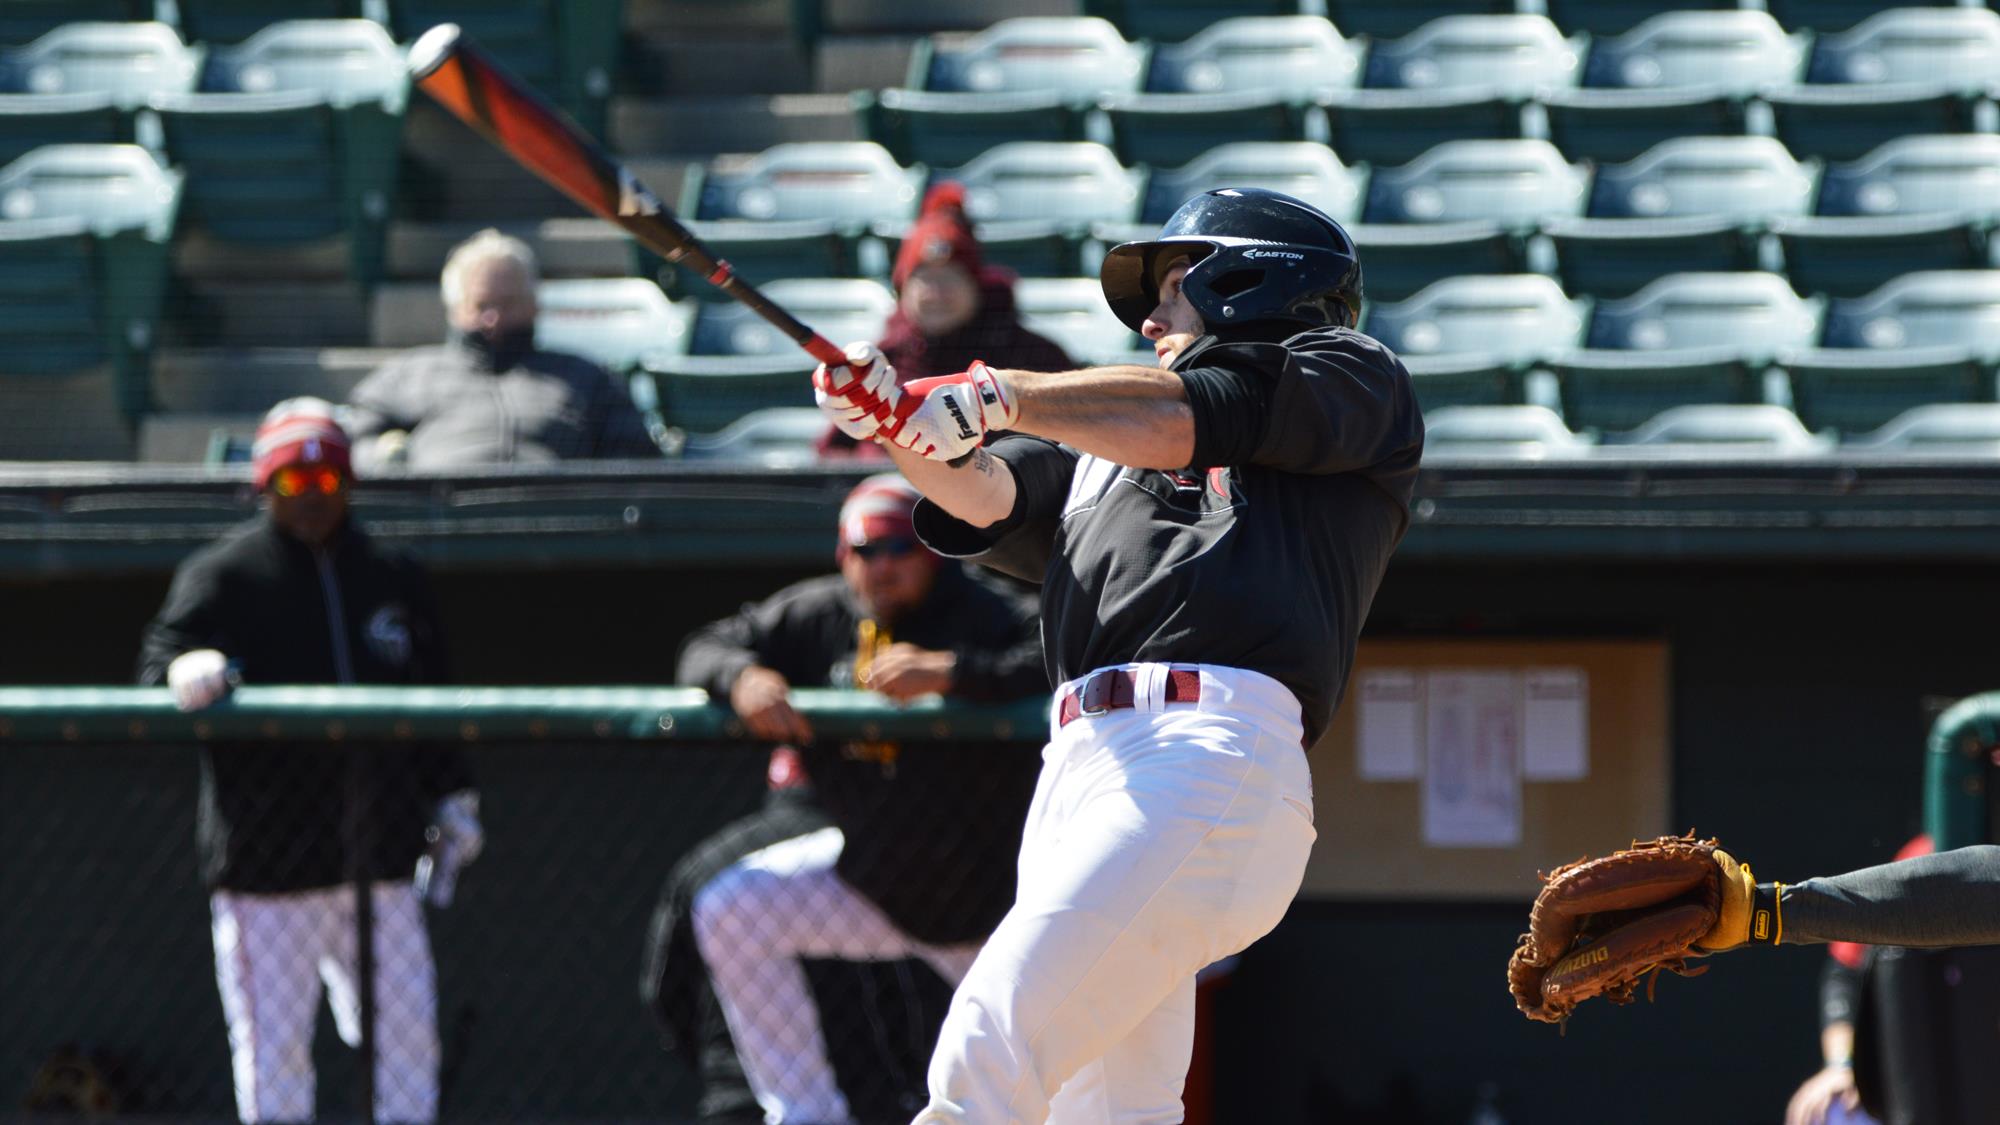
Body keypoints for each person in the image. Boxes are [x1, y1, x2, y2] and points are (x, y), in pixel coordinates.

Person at [814, 187, 1424, 1122]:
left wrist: (999, 394)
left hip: (1205, 750)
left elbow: (1200, 413)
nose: (1149, 318)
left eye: (1174, 287)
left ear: (1251, 278)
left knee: (989, 1042)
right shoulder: (1107, 441)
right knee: (1099, 1109)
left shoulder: (1347, 374)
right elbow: (985, 494)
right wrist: (893, 418)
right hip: (1079, 766)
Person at [648, 474, 1047, 1124]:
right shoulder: (818, 613)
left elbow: (1062, 650)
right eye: (867, 550)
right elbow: (706, 646)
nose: (882, 566)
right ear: (843, 555)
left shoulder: (985, 612)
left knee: (1044, 1085)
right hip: (876, 880)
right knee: (731, 907)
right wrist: (742, 676)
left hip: (992, 900)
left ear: (933, 554)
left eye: (900, 548)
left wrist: (956, 673)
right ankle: (805, 1112)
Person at [137, 398, 483, 1124]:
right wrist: (184, 667)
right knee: (274, 1051)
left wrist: (454, 793)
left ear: (349, 483)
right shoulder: (224, 574)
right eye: (295, 482)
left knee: (405, 1041)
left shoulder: (391, 574)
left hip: (381, 857)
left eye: (327, 481)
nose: (314, 497)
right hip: (268, 870)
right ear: (266, 486)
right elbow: (157, 662)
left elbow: (434, 693)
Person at [345, 228, 659, 468]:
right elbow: (354, 441)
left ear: (534, 305)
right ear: (455, 309)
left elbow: (635, 456)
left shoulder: (585, 377)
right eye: (481, 305)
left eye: (508, 303)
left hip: (554, 521)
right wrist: (385, 461)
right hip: (437, 520)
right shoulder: (411, 374)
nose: (494, 318)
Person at [818, 182, 1072, 460]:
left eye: (950, 277)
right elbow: (835, 457)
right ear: (903, 290)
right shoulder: (882, 363)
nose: (937, 294)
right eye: (924, 279)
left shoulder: (1032, 356)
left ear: (975, 285)